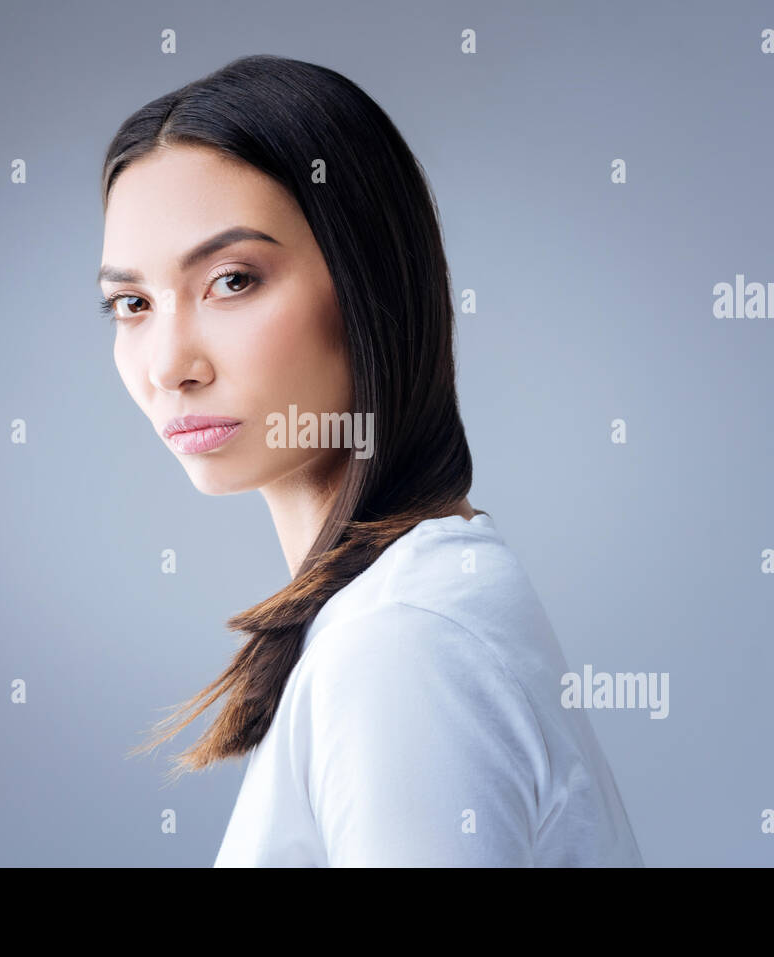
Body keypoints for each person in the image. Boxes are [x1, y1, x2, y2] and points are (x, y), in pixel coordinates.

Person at [99, 54, 643, 866]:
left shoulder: (403, 641)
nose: (169, 362)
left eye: (233, 280)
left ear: (366, 281)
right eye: (132, 304)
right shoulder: (412, 603)